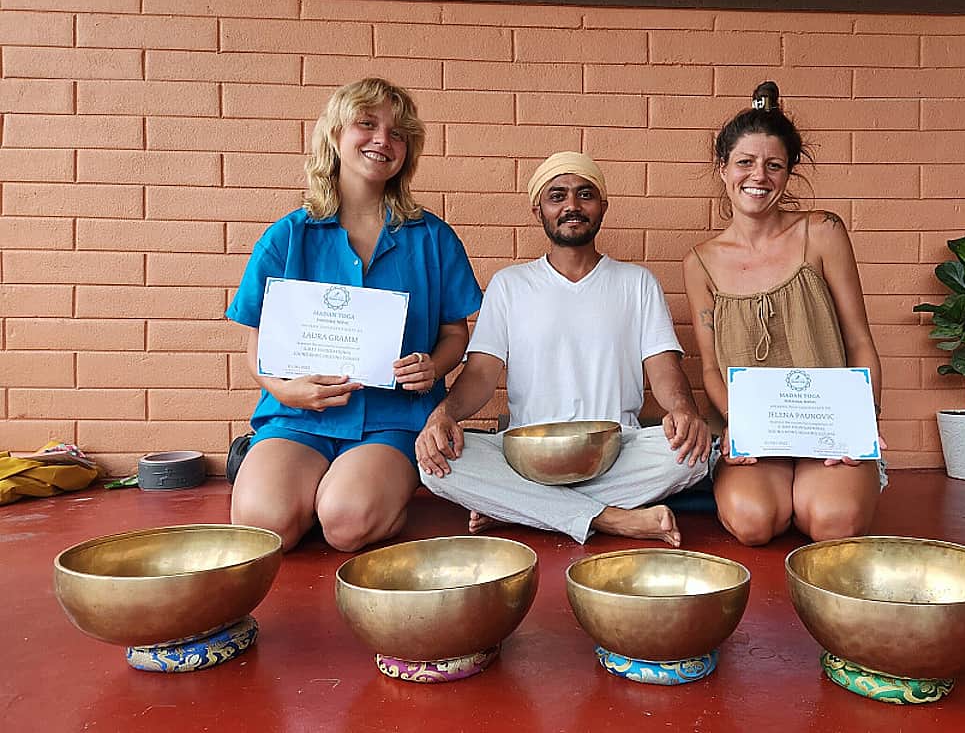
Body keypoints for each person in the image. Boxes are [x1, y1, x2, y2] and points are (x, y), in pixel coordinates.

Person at [226, 77, 482, 552]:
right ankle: (306, 491)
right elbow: (257, 343)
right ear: (335, 134)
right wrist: (283, 389)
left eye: (398, 133)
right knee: (263, 526)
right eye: (367, 124)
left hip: (394, 418)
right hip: (299, 415)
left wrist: (434, 365)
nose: (383, 139)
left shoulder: (433, 237)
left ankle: (357, 496)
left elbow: (454, 333)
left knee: (346, 523)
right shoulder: (288, 236)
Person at [415, 152, 711, 546]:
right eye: (557, 196)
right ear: (538, 210)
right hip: (526, 456)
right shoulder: (510, 285)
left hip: (617, 450)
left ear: (602, 206)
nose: (572, 205)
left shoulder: (637, 283)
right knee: (434, 464)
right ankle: (612, 519)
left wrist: (685, 411)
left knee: (697, 455)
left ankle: (518, 507)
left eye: (585, 194)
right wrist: (442, 416)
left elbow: (664, 371)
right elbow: (481, 375)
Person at [682, 81, 886, 546]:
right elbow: (711, 368)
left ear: (789, 172)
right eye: (745, 162)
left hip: (831, 427)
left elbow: (859, 342)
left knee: (833, 521)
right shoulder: (700, 263)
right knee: (753, 521)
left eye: (774, 165)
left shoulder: (823, 232)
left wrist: (861, 426)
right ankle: (786, 493)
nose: (759, 176)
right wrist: (738, 425)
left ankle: (819, 490)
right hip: (755, 433)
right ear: (723, 168)